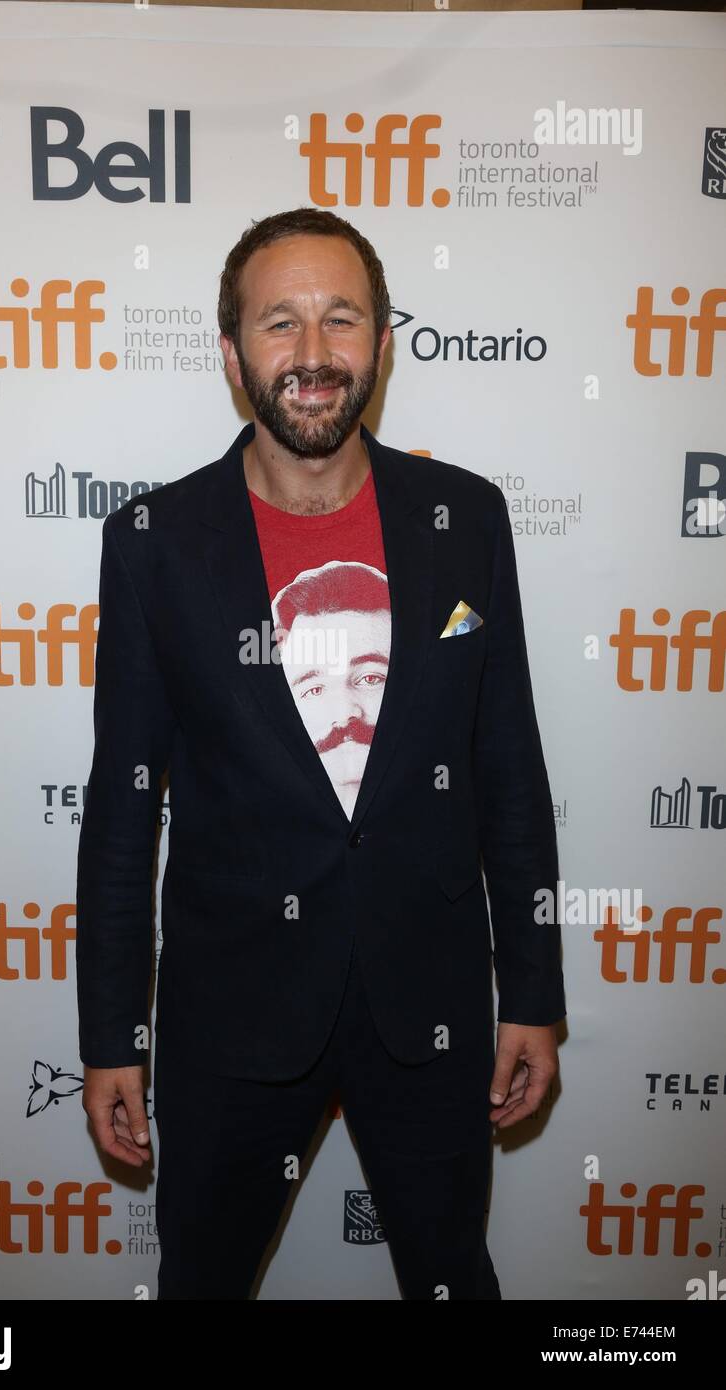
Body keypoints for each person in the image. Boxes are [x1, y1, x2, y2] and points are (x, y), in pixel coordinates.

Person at [76, 207, 566, 1300]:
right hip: (228, 1015)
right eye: (278, 323)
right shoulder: (155, 545)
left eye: (339, 320)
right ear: (229, 351)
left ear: (383, 343)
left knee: (450, 1276)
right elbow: (122, 806)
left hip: (425, 1003)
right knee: (201, 1283)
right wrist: (114, 1031)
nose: (310, 355)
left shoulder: (466, 519)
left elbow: (506, 765)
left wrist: (532, 990)